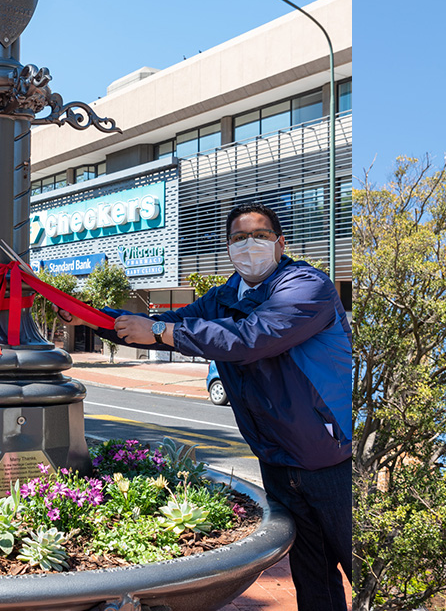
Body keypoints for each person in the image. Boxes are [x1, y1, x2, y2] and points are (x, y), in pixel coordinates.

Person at [65, 202, 358, 611]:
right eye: (238, 238)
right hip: (277, 458)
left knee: (365, 569)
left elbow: (253, 337)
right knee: (314, 574)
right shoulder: (224, 297)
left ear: (280, 242)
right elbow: (162, 323)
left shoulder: (307, 286)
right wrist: (87, 316)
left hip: (331, 460)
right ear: (228, 249)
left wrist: (160, 330)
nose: (248, 245)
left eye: (258, 235)